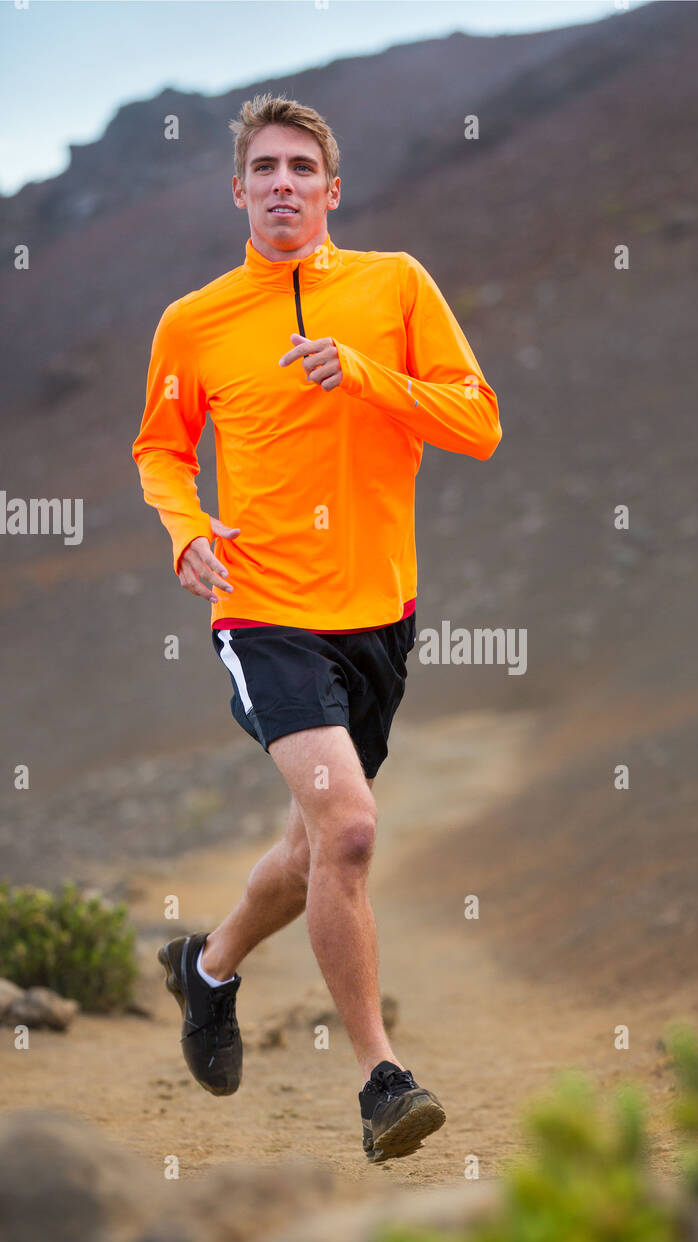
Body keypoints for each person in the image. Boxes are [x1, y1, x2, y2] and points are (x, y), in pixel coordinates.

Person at [131, 92, 502, 1163]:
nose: (283, 184)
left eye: (302, 168)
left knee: (308, 853)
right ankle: (381, 1078)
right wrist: (185, 529)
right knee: (349, 831)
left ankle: (205, 967)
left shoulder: (395, 286)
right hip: (263, 611)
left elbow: (476, 419)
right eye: (265, 169)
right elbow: (160, 446)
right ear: (238, 190)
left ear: (331, 192)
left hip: (377, 616)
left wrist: (369, 376)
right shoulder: (193, 321)